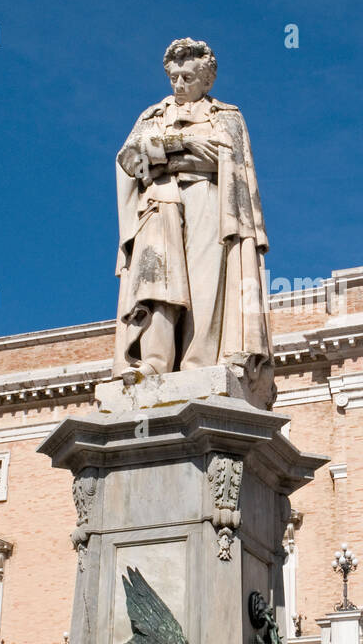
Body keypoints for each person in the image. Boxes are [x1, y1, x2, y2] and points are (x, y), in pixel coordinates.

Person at [111, 39, 272, 386]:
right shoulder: (152, 116)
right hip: (159, 201)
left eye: (187, 77)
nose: (180, 85)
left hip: (208, 200)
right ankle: (154, 361)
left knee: (205, 283)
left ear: (207, 80)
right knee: (156, 285)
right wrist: (183, 146)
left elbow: (229, 162)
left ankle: (198, 365)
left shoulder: (227, 116)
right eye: (174, 78)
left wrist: (164, 155)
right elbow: (129, 159)